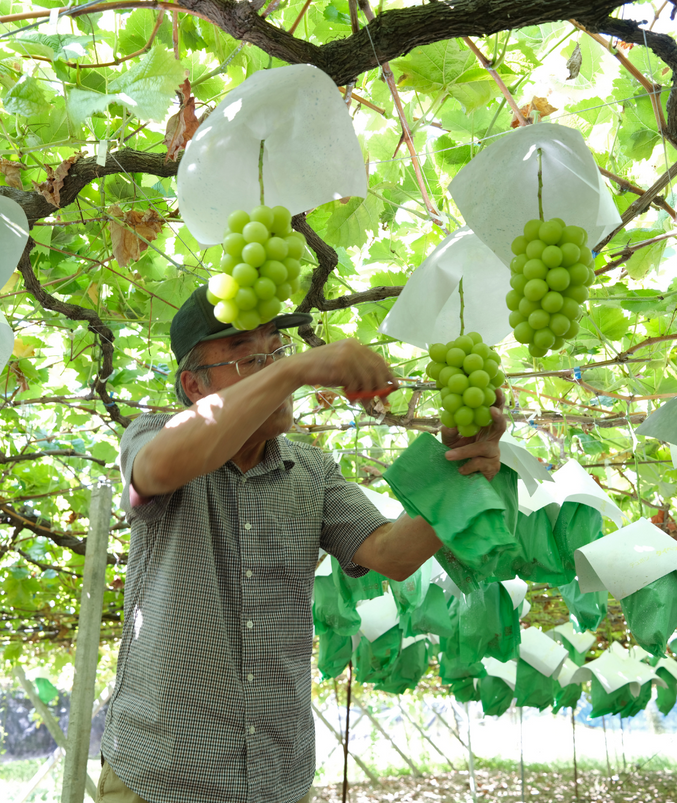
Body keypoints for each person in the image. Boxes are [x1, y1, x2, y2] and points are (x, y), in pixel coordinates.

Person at [98, 286, 506, 803]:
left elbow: (393, 555)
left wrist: (462, 469)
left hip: (275, 779)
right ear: (194, 385)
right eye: (250, 358)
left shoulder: (312, 472)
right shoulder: (152, 436)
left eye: (277, 350)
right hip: (159, 777)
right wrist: (293, 370)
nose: (273, 368)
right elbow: (157, 467)